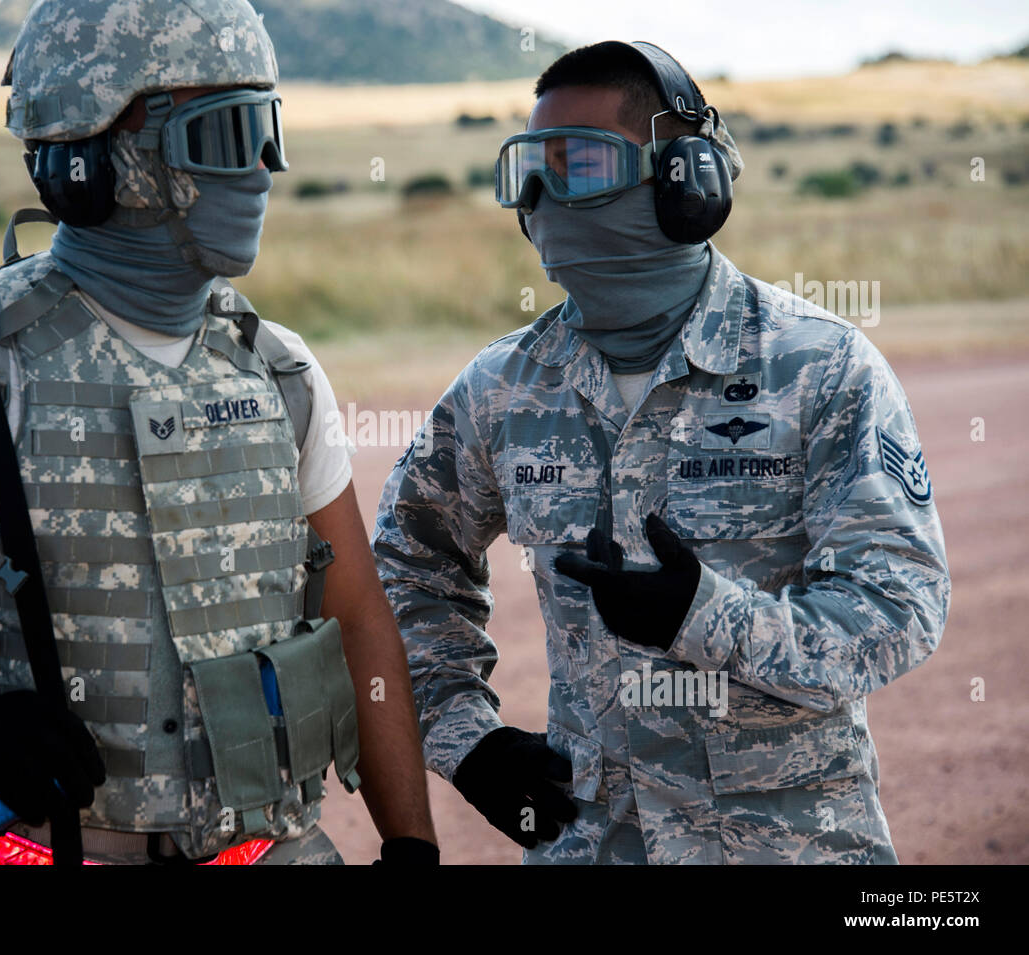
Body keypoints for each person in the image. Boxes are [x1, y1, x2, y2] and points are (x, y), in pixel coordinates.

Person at [0, 0, 436, 866]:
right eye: (224, 135)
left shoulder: (279, 370)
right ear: (90, 161)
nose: (259, 170)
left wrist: (413, 846)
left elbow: (356, 614)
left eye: (268, 132)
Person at [371, 40, 949, 864]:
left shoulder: (820, 366)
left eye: (579, 165)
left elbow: (900, 607)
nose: (544, 200)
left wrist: (704, 618)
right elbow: (403, 569)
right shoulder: (500, 388)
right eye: (529, 171)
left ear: (684, 182)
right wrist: (469, 740)